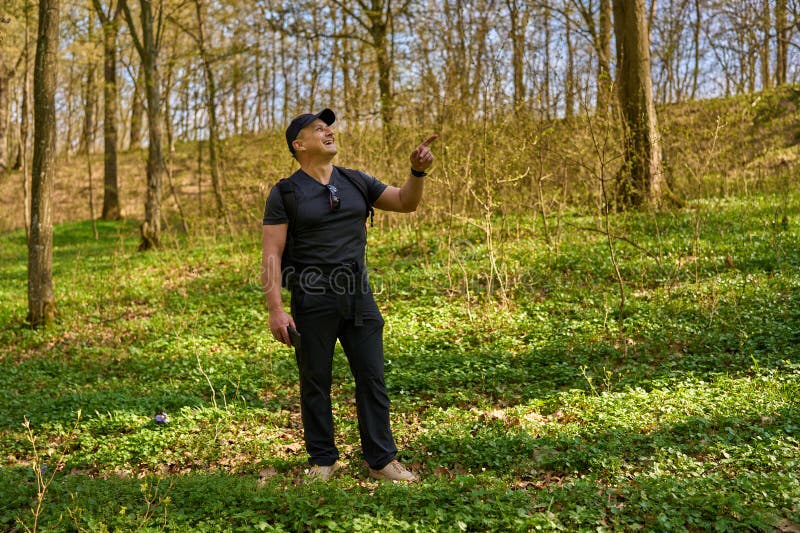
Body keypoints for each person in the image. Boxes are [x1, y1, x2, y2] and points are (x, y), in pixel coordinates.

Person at [261, 108, 436, 482]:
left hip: (358, 296)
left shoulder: (356, 181)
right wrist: (276, 309)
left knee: (372, 377)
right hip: (311, 298)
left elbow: (406, 201)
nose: (328, 132)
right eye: (318, 129)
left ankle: (381, 460)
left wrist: (417, 172)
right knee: (315, 382)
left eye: (329, 127)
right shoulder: (286, 192)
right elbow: (271, 253)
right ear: (299, 144)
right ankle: (323, 460)